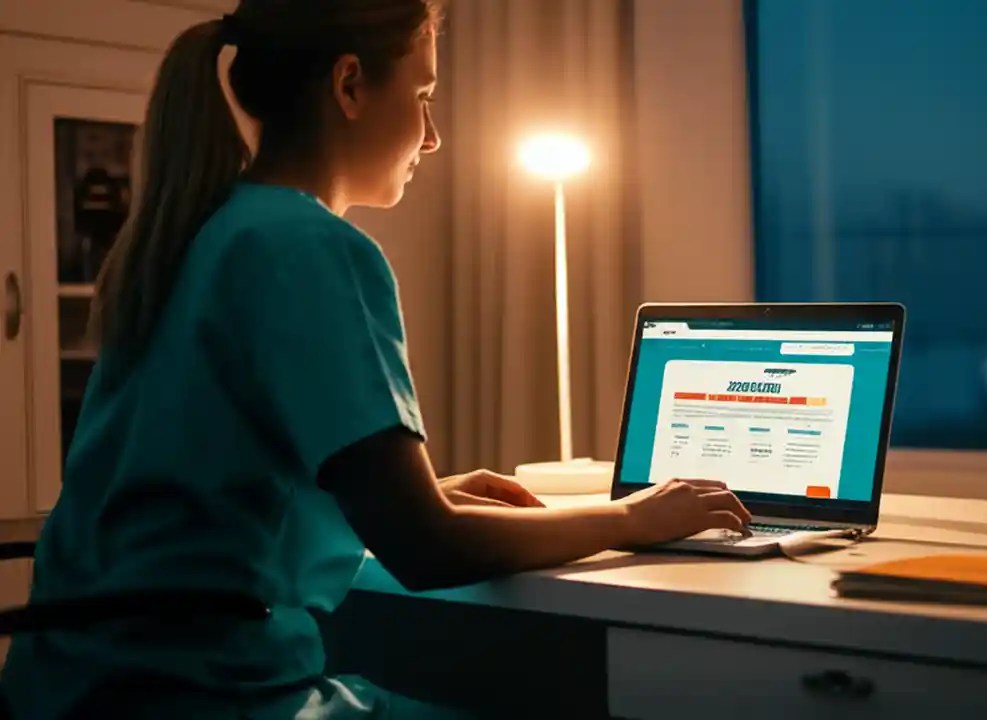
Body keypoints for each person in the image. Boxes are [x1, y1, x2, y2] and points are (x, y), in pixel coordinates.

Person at [0, 1, 750, 718]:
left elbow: (209, 485)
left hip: (67, 687)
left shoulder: (198, 231)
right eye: (423, 95)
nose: (432, 137)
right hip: (200, 697)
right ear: (350, 85)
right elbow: (425, 546)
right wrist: (631, 518)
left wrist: (430, 491)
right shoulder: (309, 248)